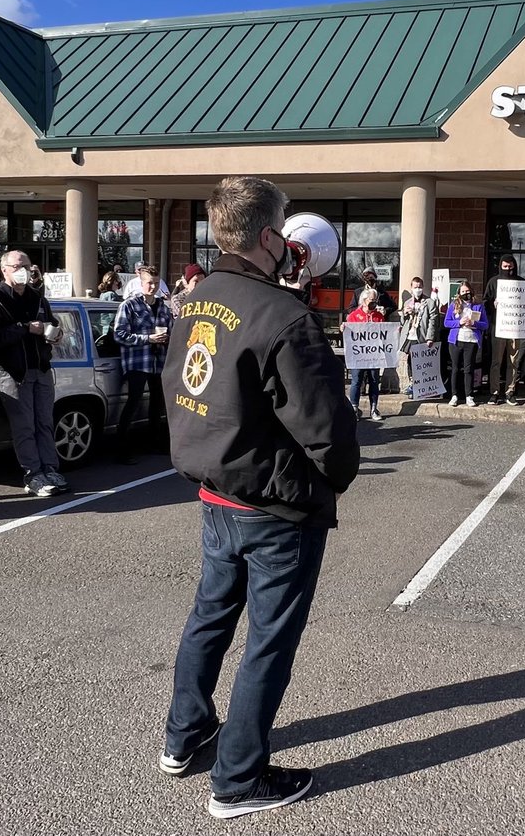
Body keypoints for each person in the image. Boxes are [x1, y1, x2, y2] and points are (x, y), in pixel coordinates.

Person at [159, 176, 359, 819]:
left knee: (210, 619)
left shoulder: (194, 298)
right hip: (275, 505)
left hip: (215, 493)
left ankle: (185, 738)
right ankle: (238, 779)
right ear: (271, 236)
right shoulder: (285, 316)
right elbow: (328, 428)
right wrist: (334, 477)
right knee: (268, 640)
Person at [0, 250, 68, 497]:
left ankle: (50, 469)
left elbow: (52, 324)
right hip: (13, 372)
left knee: (45, 422)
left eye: (26, 266)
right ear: (3, 269)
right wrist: (24, 328)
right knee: (24, 426)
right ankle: (33, 474)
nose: (22, 271)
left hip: (40, 368)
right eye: (17, 266)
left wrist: (55, 333)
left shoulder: (37, 297)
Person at [112, 265, 173, 464]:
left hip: (158, 361)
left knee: (157, 403)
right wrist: (148, 339)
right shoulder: (129, 305)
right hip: (138, 361)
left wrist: (166, 338)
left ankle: (154, 442)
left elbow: (172, 332)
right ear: (141, 283)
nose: (153, 287)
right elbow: (119, 335)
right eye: (149, 283)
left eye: (156, 283)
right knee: (133, 401)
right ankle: (121, 448)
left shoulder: (163, 307)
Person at [483, 254, 524, 405]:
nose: (508, 269)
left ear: (514, 266)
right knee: (496, 362)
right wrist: (492, 304)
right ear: (500, 266)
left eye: (510, 267)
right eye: (505, 267)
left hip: (515, 329)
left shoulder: (521, 282)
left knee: (513, 361)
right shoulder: (494, 281)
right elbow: (485, 301)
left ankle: (510, 391)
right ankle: (494, 392)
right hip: (498, 327)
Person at [443, 281, 486, 407]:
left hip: (471, 341)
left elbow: (485, 325)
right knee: (455, 368)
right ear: (459, 293)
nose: (466, 294)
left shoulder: (478, 306)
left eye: (467, 291)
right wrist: (459, 322)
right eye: (463, 292)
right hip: (456, 341)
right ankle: (454, 395)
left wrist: (474, 324)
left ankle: (469, 395)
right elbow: (447, 323)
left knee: (469, 369)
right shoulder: (454, 305)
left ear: (471, 291)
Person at [346, 288, 387, 421]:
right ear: (363, 301)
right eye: (371, 300)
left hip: (373, 355)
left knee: (374, 381)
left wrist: (393, 331)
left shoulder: (379, 316)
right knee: (357, 381)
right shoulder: (353, 316)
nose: (374, 303)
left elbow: (385, 334)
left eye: (375, 300)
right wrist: (344, 329)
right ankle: (354, 408)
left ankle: (374, 408)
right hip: (359, 356)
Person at [398, 276, 441, 396]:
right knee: (411, 360)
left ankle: (423, 385)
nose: (418, 289)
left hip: (422, 335)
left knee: (422, 361)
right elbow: (403, 321)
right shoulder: (407, 302)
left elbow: (433, 321)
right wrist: (405, 313)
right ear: (411, 288)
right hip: (410, 335)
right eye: (415, 287)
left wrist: (430, 337)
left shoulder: (429, 302)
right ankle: (412, 383)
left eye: (420, 287)